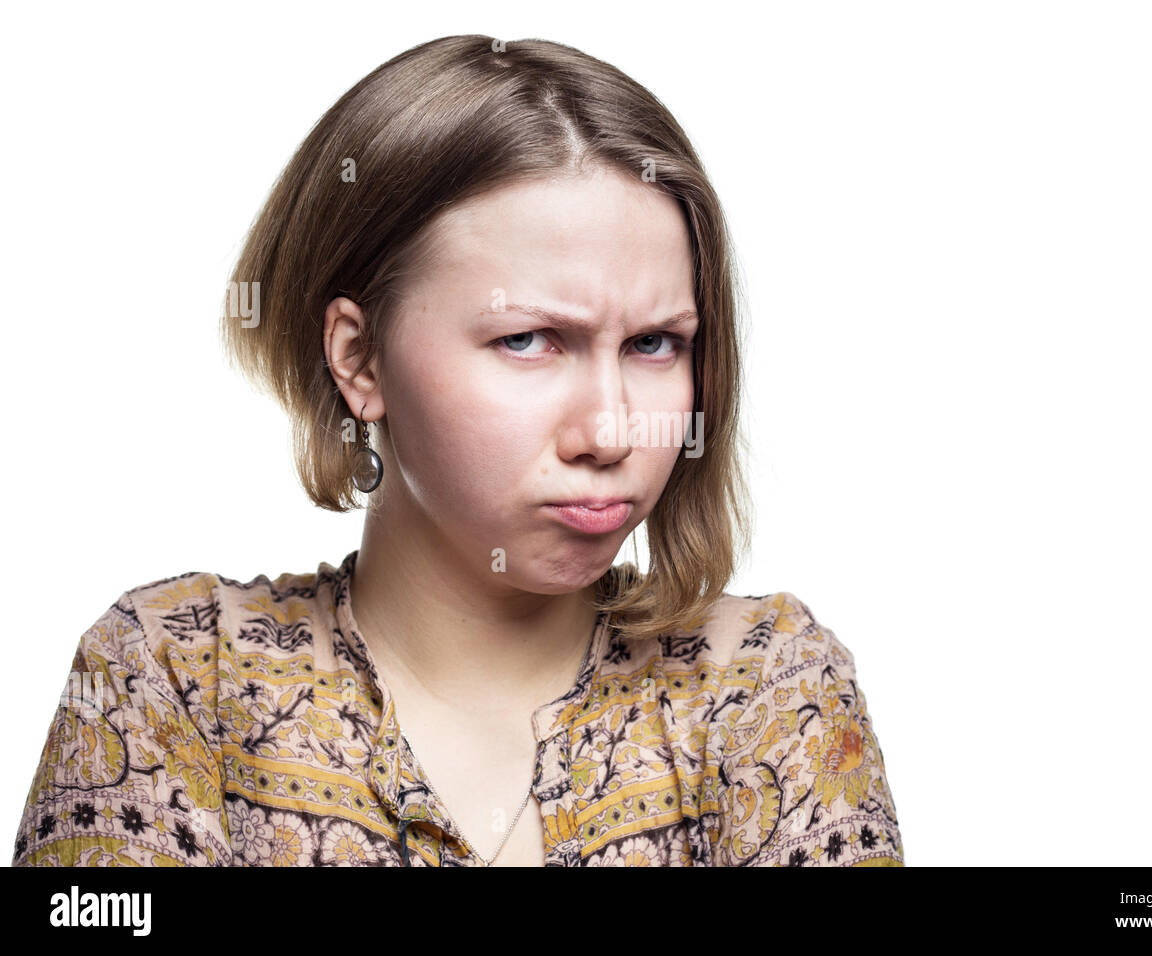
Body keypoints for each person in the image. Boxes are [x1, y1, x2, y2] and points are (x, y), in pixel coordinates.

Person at [12, 34, 903, 867]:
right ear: (359, 358)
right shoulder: (177, 678)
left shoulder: (768, 690)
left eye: (655, 343)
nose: (613, 431)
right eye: (528, 340)